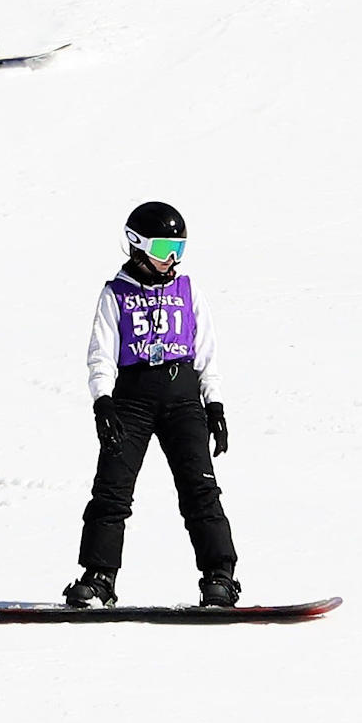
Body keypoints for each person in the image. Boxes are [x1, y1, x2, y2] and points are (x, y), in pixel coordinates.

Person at [62, 199, 237, 610]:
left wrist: (215, 405)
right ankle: (99, 576)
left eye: (178, 251)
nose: (171, 260)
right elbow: (101, 352)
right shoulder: (115, 294)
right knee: (112, 490)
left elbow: (206, 351)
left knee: (200, 490)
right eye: (163, 250)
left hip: (182, 398)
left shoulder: (188, 290)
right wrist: (102, 401)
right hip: (132, 401)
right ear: (137, 245)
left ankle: (220, 576)